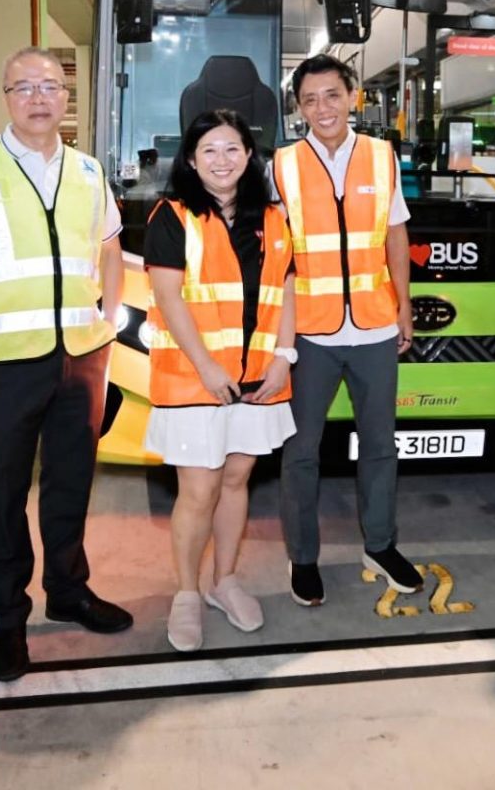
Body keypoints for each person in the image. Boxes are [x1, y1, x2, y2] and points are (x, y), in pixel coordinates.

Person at [0, 47, 128, 683]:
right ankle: (7, 618)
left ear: (66, 97)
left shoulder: (90, 171)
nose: (39, 98)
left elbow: (111, 251)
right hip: (6, 363)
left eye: (51, 86)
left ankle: (67, 591)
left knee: (71, 483)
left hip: (82, 359)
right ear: (4, 97)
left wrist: (109, 325)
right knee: (5, 493)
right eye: (25, 88)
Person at [143, 110, 298, 651]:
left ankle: (223, 580)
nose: (222, 160)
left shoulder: (274, 219)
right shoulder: (173, 216)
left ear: (249, 156)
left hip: (257, 379)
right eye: (209, 150)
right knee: (200, 489)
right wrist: (207, 367)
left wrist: (284, 355)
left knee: (236, 482)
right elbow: (167, 298)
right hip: (194, 381)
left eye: (232, 148)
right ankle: (187, 593)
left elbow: (288, 290)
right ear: (190, 158)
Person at [273, 54, 423, 606]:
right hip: (310, 334)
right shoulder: (282, 165)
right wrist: (281, 335)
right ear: (298, 108)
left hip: (376, 327)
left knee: (381, 445)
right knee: (301, 451)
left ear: (352, 96)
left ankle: (380, 545)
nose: (322, 108)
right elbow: (276, 256)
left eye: (332, 95)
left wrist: (403, 306)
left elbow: (396, 238)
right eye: (310, 99)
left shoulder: (382, 157)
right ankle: (302, 557)